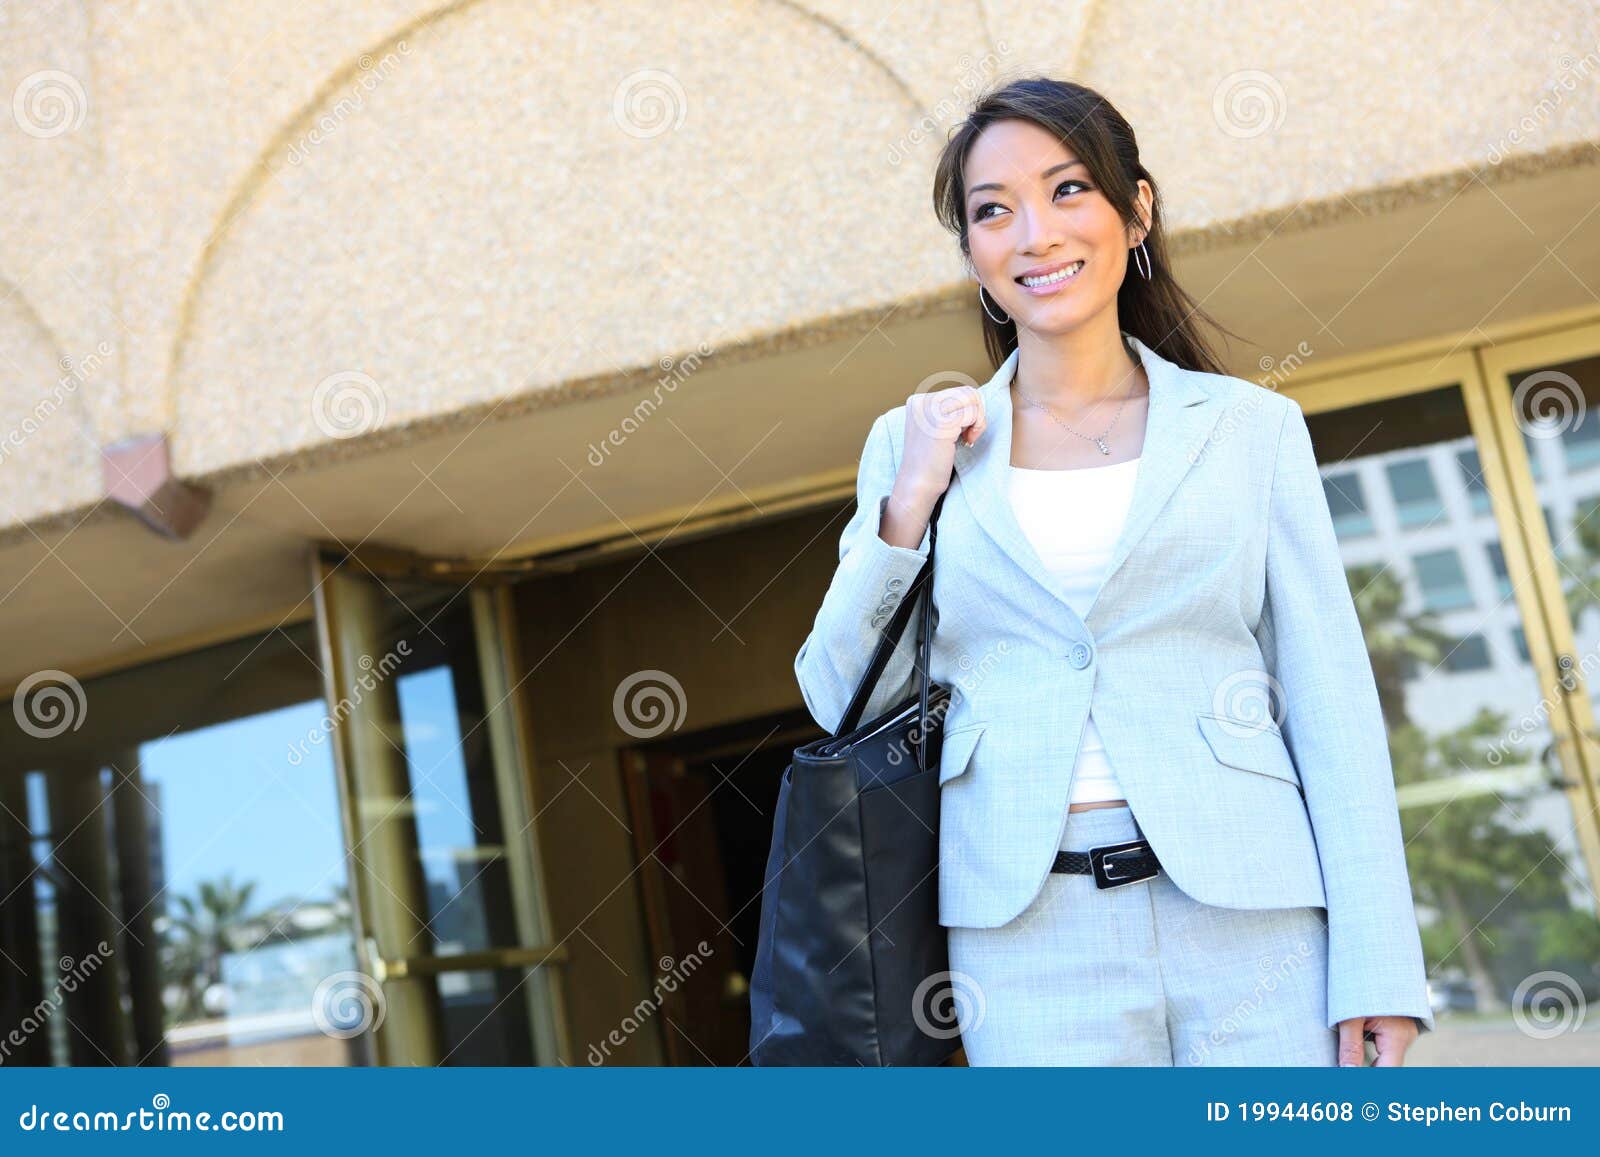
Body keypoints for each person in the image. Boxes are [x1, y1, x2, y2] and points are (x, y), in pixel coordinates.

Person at [793, 77, 1432, 1066]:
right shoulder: (913, 446)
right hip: (1025, 939)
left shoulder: (1248, 428)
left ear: (1136, 211)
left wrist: (1379, 964)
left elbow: (1330, 698)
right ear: (971, 254)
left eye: (1068, 190)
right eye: (992, 210)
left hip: (1255, 917)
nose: (1034, 234)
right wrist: (909, 503)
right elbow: (841, 693)